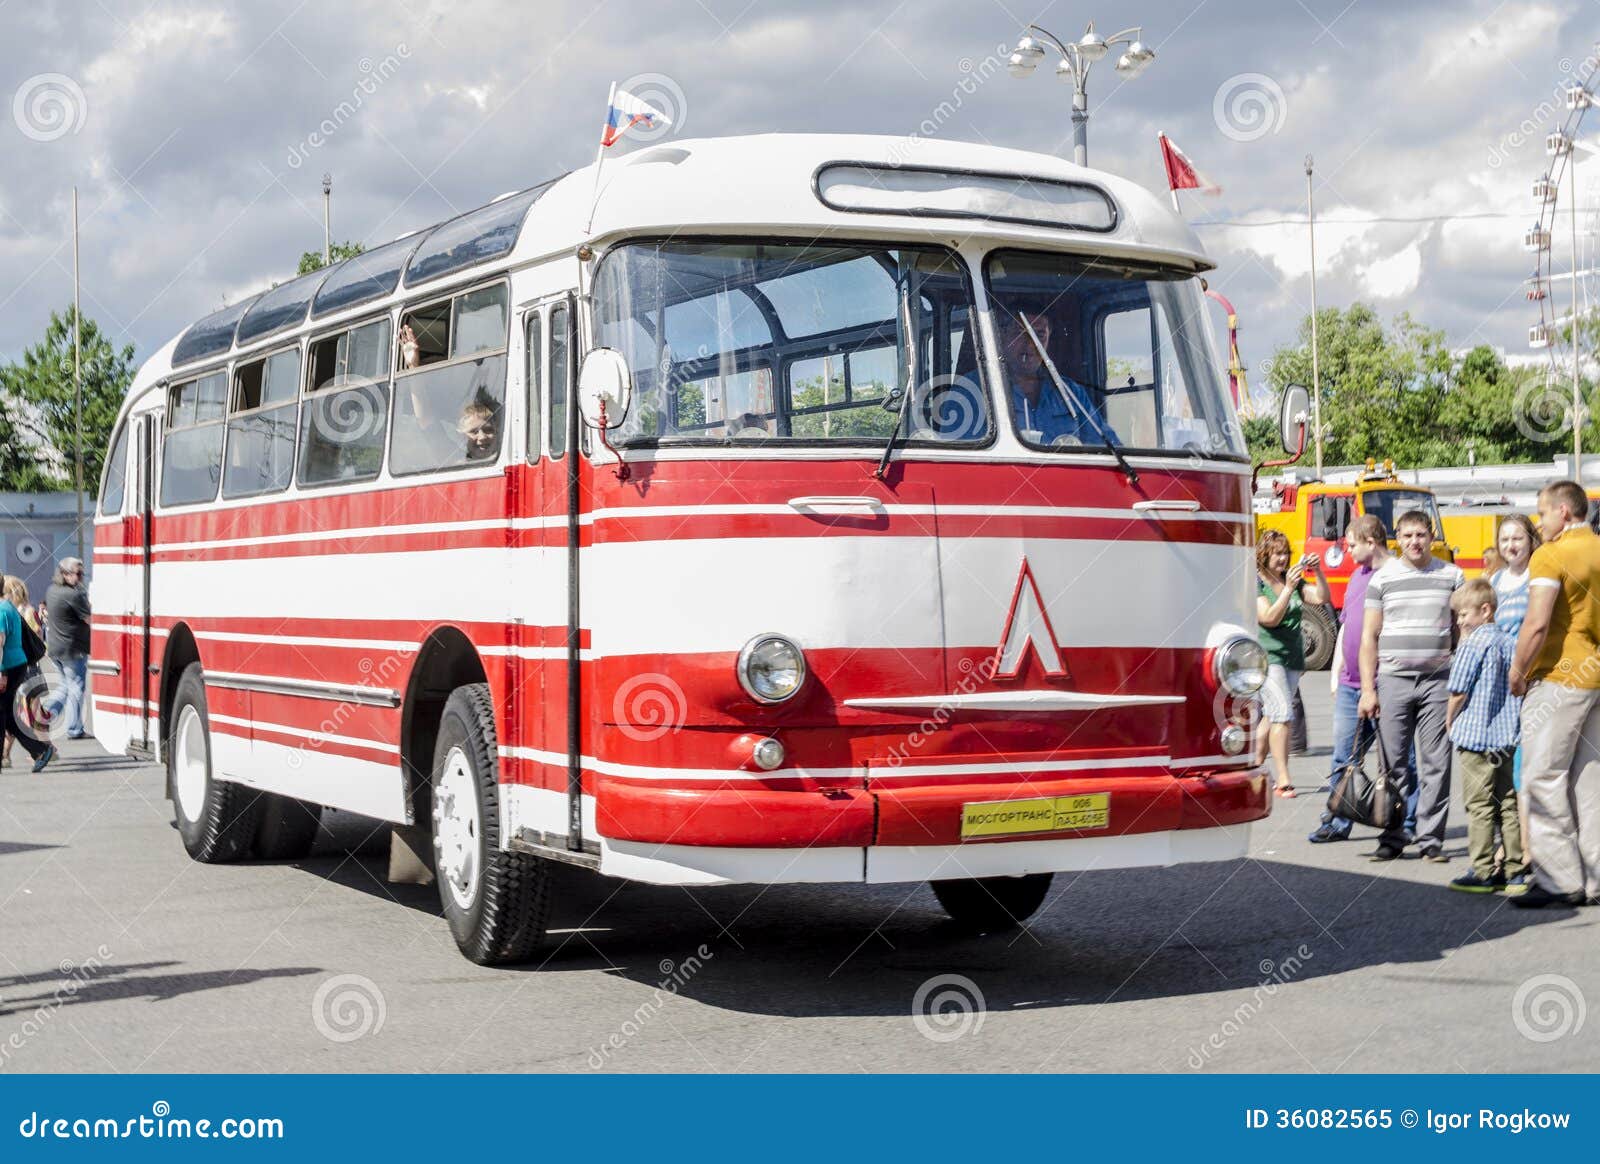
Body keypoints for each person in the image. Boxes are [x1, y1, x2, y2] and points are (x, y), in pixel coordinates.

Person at [1509, 480, 1600, 908]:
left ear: (1563, 512)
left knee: (1542, 777)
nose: (1538, 521)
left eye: (1542, 513)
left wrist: (1518, 669)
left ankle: (1560, 880)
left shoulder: (1550, 555)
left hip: (1558, 679)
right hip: (1595, 680)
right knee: (1590, 782)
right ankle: (1595, 878)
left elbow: (1537, 624)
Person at [1360, 509, 1465, 861]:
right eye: (1407, 536)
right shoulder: (1383, 578)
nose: (1414, 542)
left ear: (1431, 536)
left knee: (1437, 762)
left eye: (1420, 535)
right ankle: (1393, 836)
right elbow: (1368, 637)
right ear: (1397, 539)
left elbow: (1462, 631)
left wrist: (1463, 681)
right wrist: (1368, 689)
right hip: (1393, 680)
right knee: (1392, 764)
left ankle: (1430, 840)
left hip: (1439, 681)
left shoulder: (1453, 576)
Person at [1309, 515, 1388, 843]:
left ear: (1371, 542)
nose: (1347, 550)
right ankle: (1336, 822)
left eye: (1351, 544)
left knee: (1394, 761)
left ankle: (1401, 823)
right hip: (1349, 685)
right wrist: (1335, 672)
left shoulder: (1393, 576)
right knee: (1344, 758)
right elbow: (1345, 629)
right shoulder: (1357, 576)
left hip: (1384, 684)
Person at [1445, 578, 1525, 894]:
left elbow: (1458, 689)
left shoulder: (1474, 643)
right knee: (1507, 801)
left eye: (1464, 615)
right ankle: (1515, 870)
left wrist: (1449, 719)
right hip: (1505, 735)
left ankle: (1481, 870)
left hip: (1476, 738)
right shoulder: (1509, 642)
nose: (1460, 621)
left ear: (1485, 610)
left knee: (1479, 805)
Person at [1256, 529, 1330, 798]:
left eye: (1286, 552)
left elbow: (1321, 598)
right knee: (1283, 713)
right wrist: (1287, 589)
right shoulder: (1257, 583)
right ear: (1264, 555)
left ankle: (1252, 763)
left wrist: (1318, 573)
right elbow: (1269, 618)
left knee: (1271, 715)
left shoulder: (1294, 581)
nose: (1283, 558)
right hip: (1268, 657)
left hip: (1292, 658)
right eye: (1277, 553)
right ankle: (1283, 778)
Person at [1491, 513, 1540, 868]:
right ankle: (1507, 842)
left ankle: (1525, 847)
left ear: (1531, 540)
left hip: (1528, 682)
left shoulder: (1538, 578)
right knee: (1500, 766)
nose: (1511, 545)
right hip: (1496, 688)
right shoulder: (1494, 580)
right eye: (1505, 539)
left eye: (1517, 538)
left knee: (1524, 767)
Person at [997, 308, 1119, 447]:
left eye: (1040, 335)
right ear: (1003, 336)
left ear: (1049, 339)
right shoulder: (978, 390)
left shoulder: (1070, 392)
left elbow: (1107, 446)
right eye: (1020, 334)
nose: (1031, 344)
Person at [0, 577, 55, 773]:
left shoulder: (3, 610)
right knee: (9, 715)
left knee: (9, 713)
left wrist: (2, 672)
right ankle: (40, 750)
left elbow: (0, 643)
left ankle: (41, 749)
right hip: (19, 664)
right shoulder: (9, 608)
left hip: (12, 667)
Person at [43, 557, 91, 740]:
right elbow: (88, 618)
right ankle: (75, 729)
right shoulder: (74, 594)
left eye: (81, 573)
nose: (80, 577)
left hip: (55, 647)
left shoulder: (52, 590)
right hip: (73, 648)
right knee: (76, 687)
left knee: (65, 685)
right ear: (64, 574)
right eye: (77, 574)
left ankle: (44, 714)